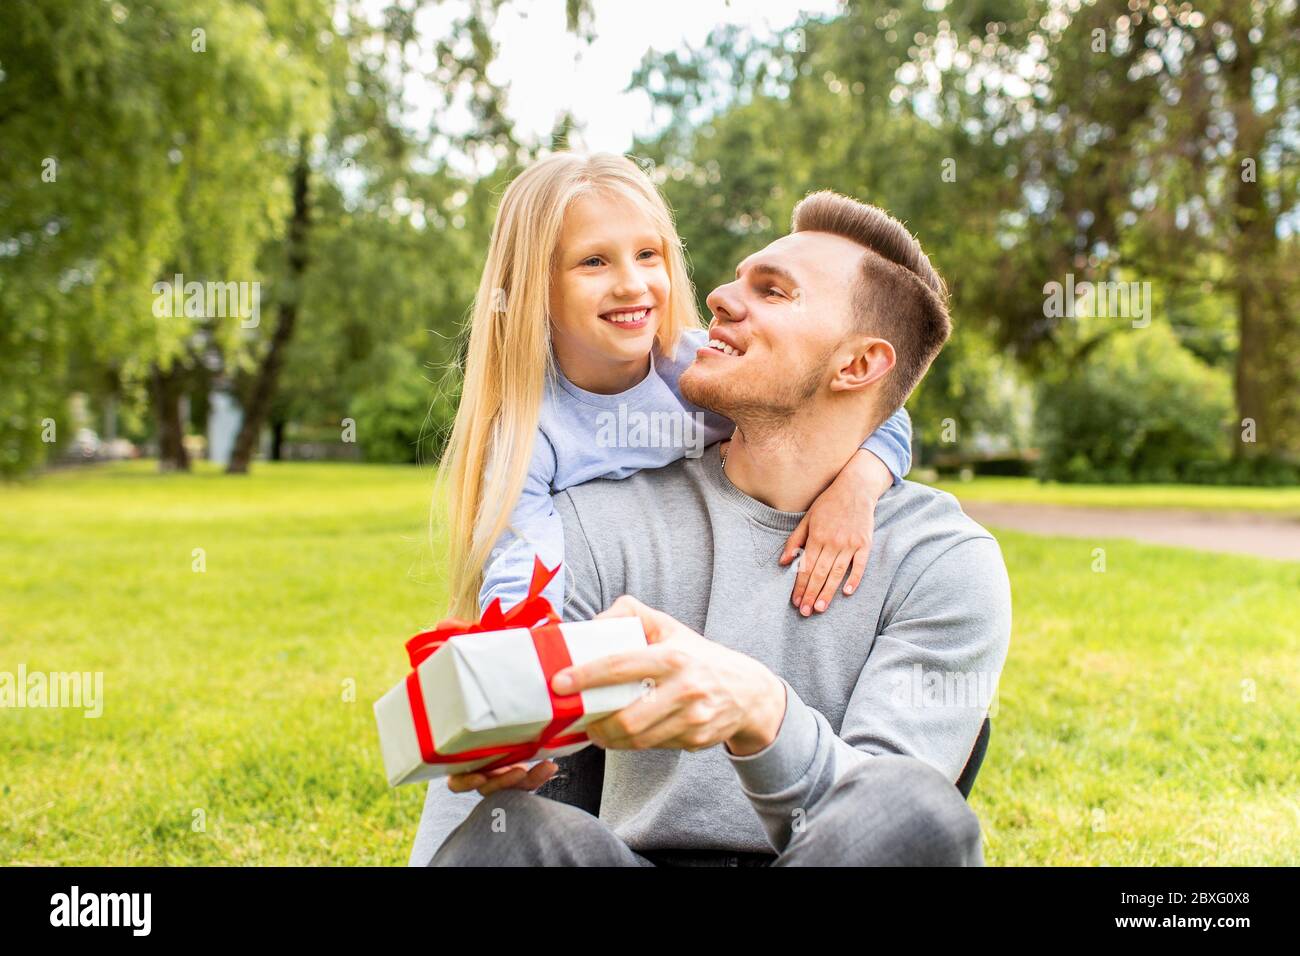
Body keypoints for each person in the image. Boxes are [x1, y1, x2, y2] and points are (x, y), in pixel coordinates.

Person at [412, 188, 1011, 867]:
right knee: (515, 831)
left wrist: (759, 710)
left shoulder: (942, 560)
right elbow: (492, 777)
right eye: (739, 276)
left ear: (857, 365)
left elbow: (890, 829)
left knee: (917, 808)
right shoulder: (597, 526)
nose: (721, 295)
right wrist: (504, 753)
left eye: (774, 292)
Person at [439, 153, 914, 642]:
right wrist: (526, 660)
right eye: (594, 261)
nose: (632, 284)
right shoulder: (529, 433)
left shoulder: (699, 369)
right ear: (532, 286)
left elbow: (872, 408)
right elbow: (523, 574)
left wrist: (856, 489)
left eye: (648, 255)